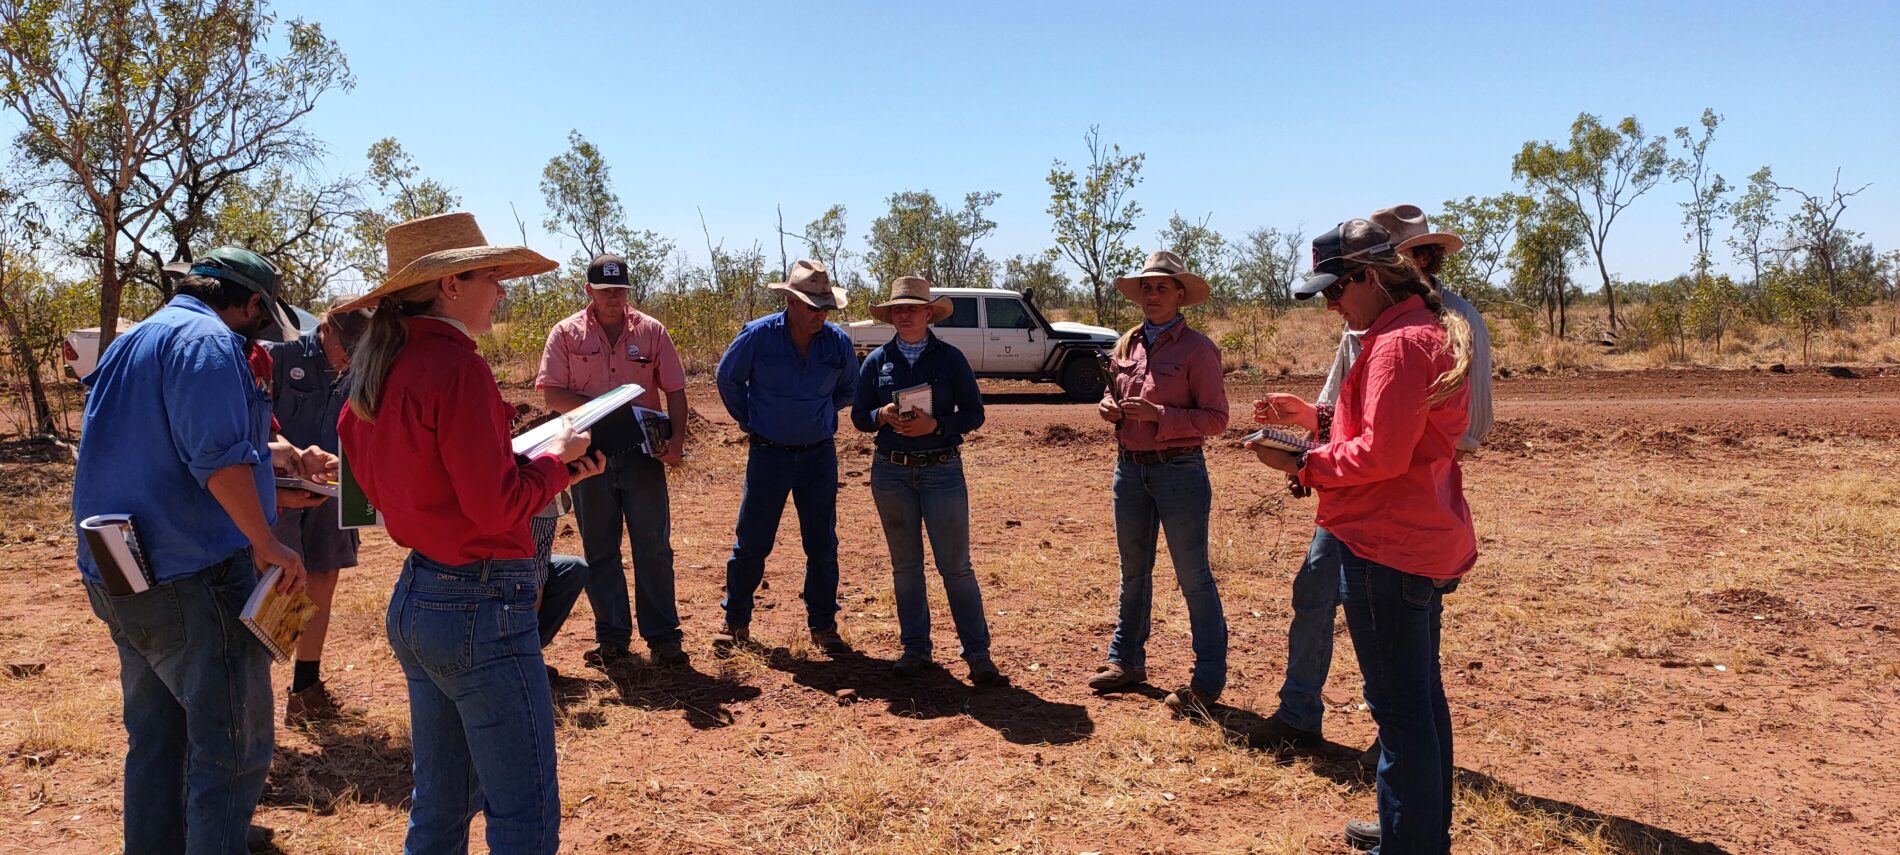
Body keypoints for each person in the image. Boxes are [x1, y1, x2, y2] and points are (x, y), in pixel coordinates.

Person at [336, 212, 605, 854]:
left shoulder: (382, 366)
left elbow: (378, 482)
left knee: (442, 803)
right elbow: (495, 506)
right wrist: (553, 462)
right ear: (451, 284)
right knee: (523, 811)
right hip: (482, 604)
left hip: (421, 595)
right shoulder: (456, 368)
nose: (502, 290)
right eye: (492, 277)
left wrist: (516, 462)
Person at [71, 245, 324, 854]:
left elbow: (163, 452)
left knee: (159, 738)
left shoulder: (140, 337)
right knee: (231, 750)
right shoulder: (209, 344)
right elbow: (215, 458)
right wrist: (265, 540)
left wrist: (274, 474)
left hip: (122, 569)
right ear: (254, 304)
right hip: (192, 577)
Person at [1246, 218, 1475, 854]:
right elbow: (1395, 425)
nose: (1329, 304)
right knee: (1420, 701)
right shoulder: (1412, 331)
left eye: (1334, 289)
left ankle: (1409, 843)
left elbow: (1382, 455)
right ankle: (1417, 829)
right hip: (1411, 537)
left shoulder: (1397, 344)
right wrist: (1316, 417)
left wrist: (1299, 462)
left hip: (1386, 544)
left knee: (1401, 714)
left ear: (1368, 277)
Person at [1086, 250, 1230, 715]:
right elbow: (1112, 396)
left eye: (1161, 288)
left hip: (1180, 469)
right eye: (1146, 288)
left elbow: (1217, 419)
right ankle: (1124, 661)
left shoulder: (1199, 349)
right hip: (1129, 468)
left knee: (1193, 577)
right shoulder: (1126, 345)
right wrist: (1108, 409)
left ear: (1180, 295)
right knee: (1133, 573)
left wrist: (1159, 415)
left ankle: (1207, 680)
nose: (1152, 295)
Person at [534, 253, 690, 668]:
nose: (613, 298)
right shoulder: (566, 334)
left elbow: (674, 388)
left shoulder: (652, 331)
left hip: (641, 454)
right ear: (589, 291)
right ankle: (613, 638)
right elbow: (552, 394)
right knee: (600, 548)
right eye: (604, 291)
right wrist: (606, 410)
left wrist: (675, 440)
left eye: (619, 289)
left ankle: (663, 636)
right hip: (586, 454)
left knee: (653, 547)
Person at [849, 276, 1002, 685]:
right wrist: (879, 416)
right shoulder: (876, 361)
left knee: (956, 567)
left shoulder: (950, 359)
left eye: (912, 308)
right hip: (891, 471)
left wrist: (938, 424)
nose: (904, 314)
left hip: (942, 470)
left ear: (928, 314)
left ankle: (978, 654)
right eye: (898, 309)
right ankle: (915, 649)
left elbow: (974, 414)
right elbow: (858, 416)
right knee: (906, 567)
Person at [713, 259, 858, 654]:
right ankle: (735, 622)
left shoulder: (838, 343)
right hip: (768, 455)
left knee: (823, 544)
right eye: (813, 306)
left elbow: (848, 390)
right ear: (791, 302)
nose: (820, 315)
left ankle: (823, 626)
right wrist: (750, 419)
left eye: (825, 307)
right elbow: (727, 378)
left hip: (818, 457)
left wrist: (819, 414)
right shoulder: (758, 336)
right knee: (752, 542)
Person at [268, 308, 371, 724]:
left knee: (324, 576)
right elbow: (253, 420)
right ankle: (254, 689)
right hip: (280, 492)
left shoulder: (365, 364)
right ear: (324, 328)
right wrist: (290, 452)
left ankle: (305, 687)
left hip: (333, 489)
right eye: (344, 347)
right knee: (281, 582)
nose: (347, 358)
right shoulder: (281, 355)